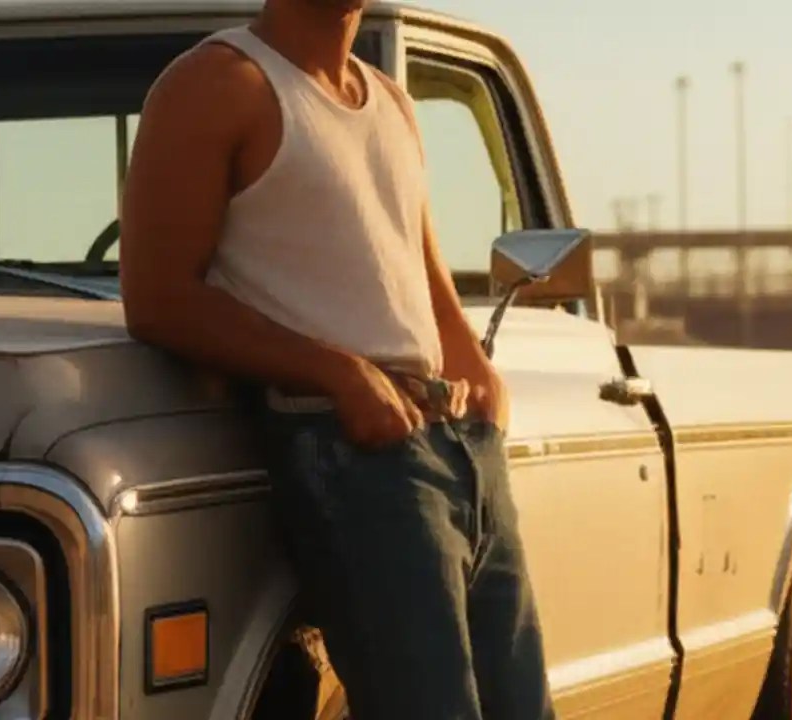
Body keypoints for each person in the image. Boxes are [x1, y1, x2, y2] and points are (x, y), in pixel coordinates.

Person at [118, 0, 555, 717]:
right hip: (348, 445)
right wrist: (339, 373)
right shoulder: (222, 83)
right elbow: (159, 298)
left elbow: (423, 276)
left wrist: (478, 376)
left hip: (455, 442)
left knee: (522, 706)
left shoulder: (389, 101)